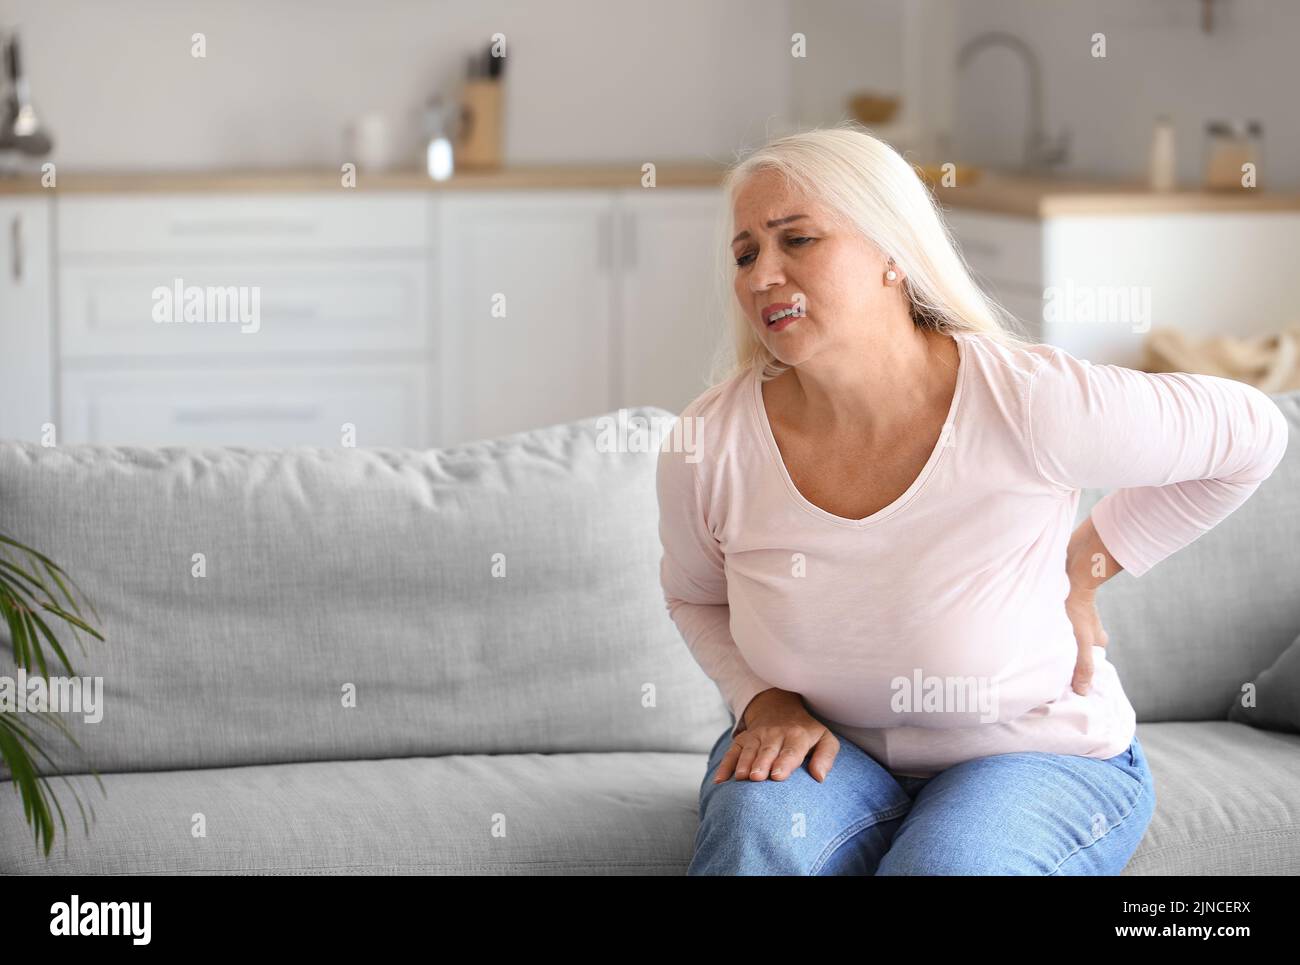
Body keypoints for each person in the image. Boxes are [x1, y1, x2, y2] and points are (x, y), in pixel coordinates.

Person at [655, 122, 1289, 875]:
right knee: (753, 840)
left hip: (1031, 755)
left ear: (892, 251)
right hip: (828, 751)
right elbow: (695, 597)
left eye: (798, 240)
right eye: (746, 252)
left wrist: (1085, 563)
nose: (763, 275)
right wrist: (762, 700)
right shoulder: (712, 441)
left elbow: (1252, 432)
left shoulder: (1029, 402)